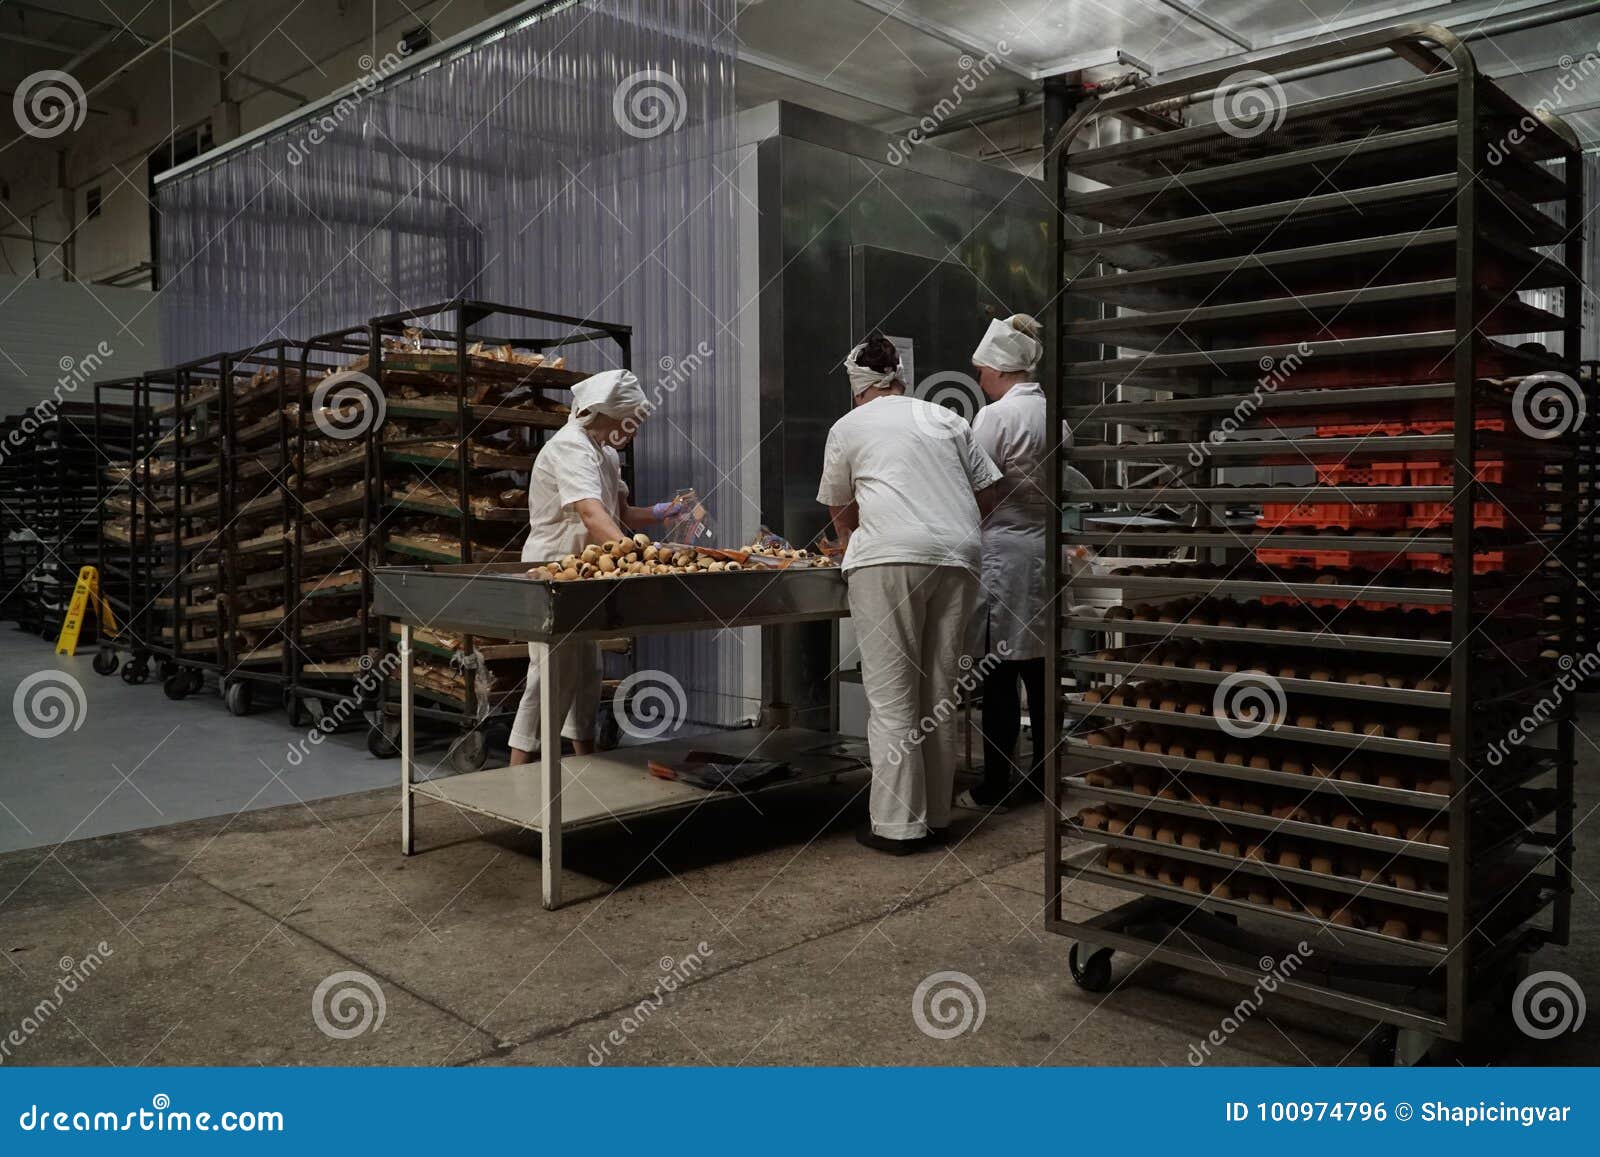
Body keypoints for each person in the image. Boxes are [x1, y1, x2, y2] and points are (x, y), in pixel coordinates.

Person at [817, 335, 1002, 855]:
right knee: (940, 696)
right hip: (960, 555)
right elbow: (988, 491)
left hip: (889, 559)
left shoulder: (849, 426)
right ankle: (938, 818)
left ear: (857, 390)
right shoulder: (945, 417)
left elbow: (839, 504)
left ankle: (898, 828)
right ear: (901, 379)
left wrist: (852, 541)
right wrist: (950, 529)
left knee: (893, 695)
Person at [508, 369, 679, 765]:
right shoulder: (570, 446)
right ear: (609, 414)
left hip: (589, 571)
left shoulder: (606, 454)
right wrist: (639, 559)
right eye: (631, 419)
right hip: (554, 566)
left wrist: (662, 512)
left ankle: (587, 756)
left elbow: (619, 514)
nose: (634, 428)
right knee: (550, 672)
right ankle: (518, 768)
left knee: (587, 669)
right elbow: (590, 514)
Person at [955, 314, 1050, 814]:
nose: (978, 379)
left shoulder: (995, 417)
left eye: (981, 370)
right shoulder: (1054, 414)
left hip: (1004, 552)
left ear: (999, 369)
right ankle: (1042, 778)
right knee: (1040, 670)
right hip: (1044, 551)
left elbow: (980, 488)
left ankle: (996, 784)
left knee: (999, 673)